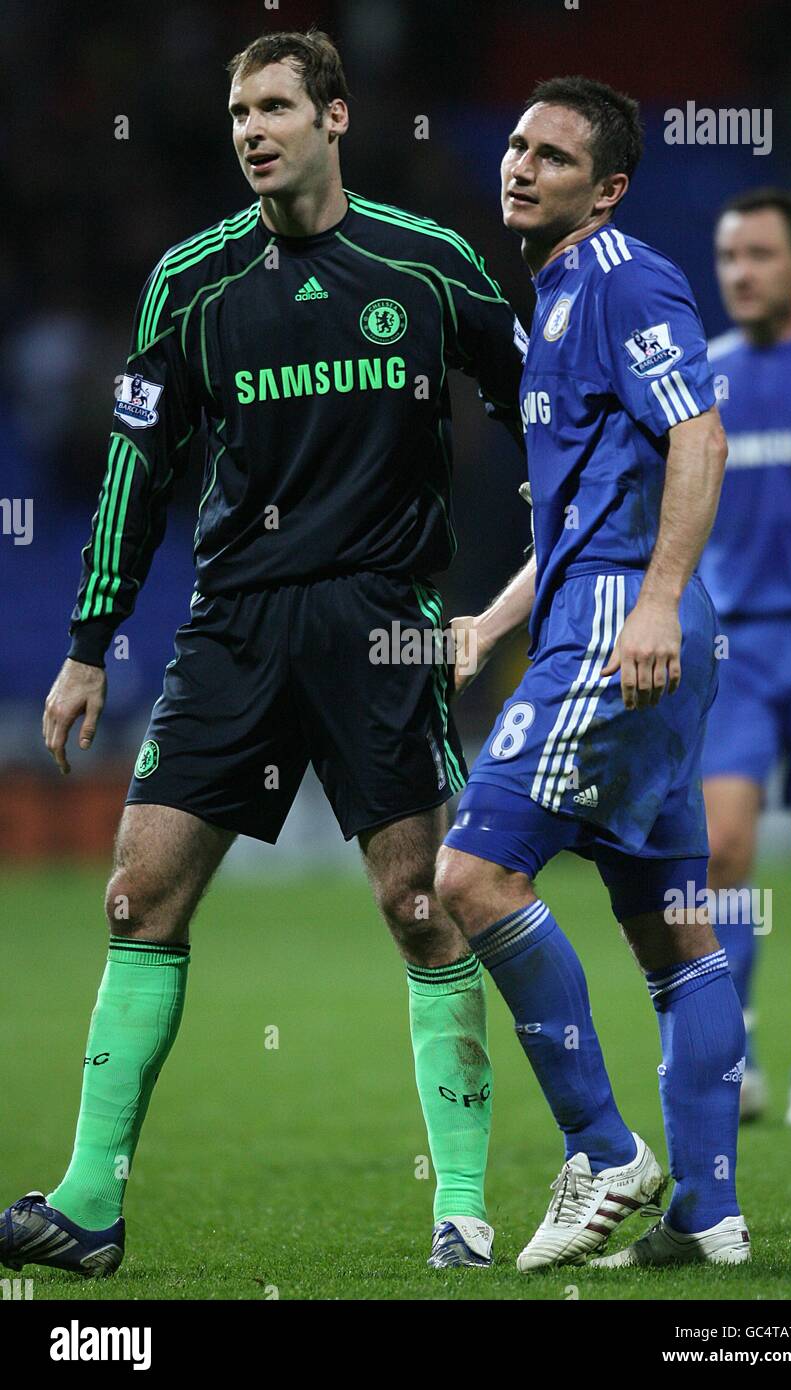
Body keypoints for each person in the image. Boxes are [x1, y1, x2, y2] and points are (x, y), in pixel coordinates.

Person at [0, 29, 526, 1279]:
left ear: (335, 118)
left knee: (417, 906)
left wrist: (542, 579)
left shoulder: (429, 263)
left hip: (378, 618)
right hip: (232, 621)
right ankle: (88, 1203)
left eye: (277, 106)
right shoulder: (189, 281)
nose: (251, 129)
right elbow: (137, 466)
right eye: (239, 111)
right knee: (138, 892)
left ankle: (458, 1205)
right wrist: (87, 646)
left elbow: (540, 410)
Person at [437, 76, 750, 1271]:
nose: (519, 165)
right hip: (617, 610)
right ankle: (708, 1215)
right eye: (515, 143)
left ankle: (604, 1150)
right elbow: (579, 509)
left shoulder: (624, 277)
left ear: (606, 187)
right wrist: (494, 615)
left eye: (553, 156)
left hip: (627, 620)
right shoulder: (559, 294)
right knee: (673, 929)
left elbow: (696, 432)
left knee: (471, 875)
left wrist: (658, 598)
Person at [700, 188, 791, 1127]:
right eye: (727, 257)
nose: (739, 273)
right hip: (735, 645)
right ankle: (740, 1059)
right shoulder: (700, 380)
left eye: (757, 254)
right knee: (720, 853)